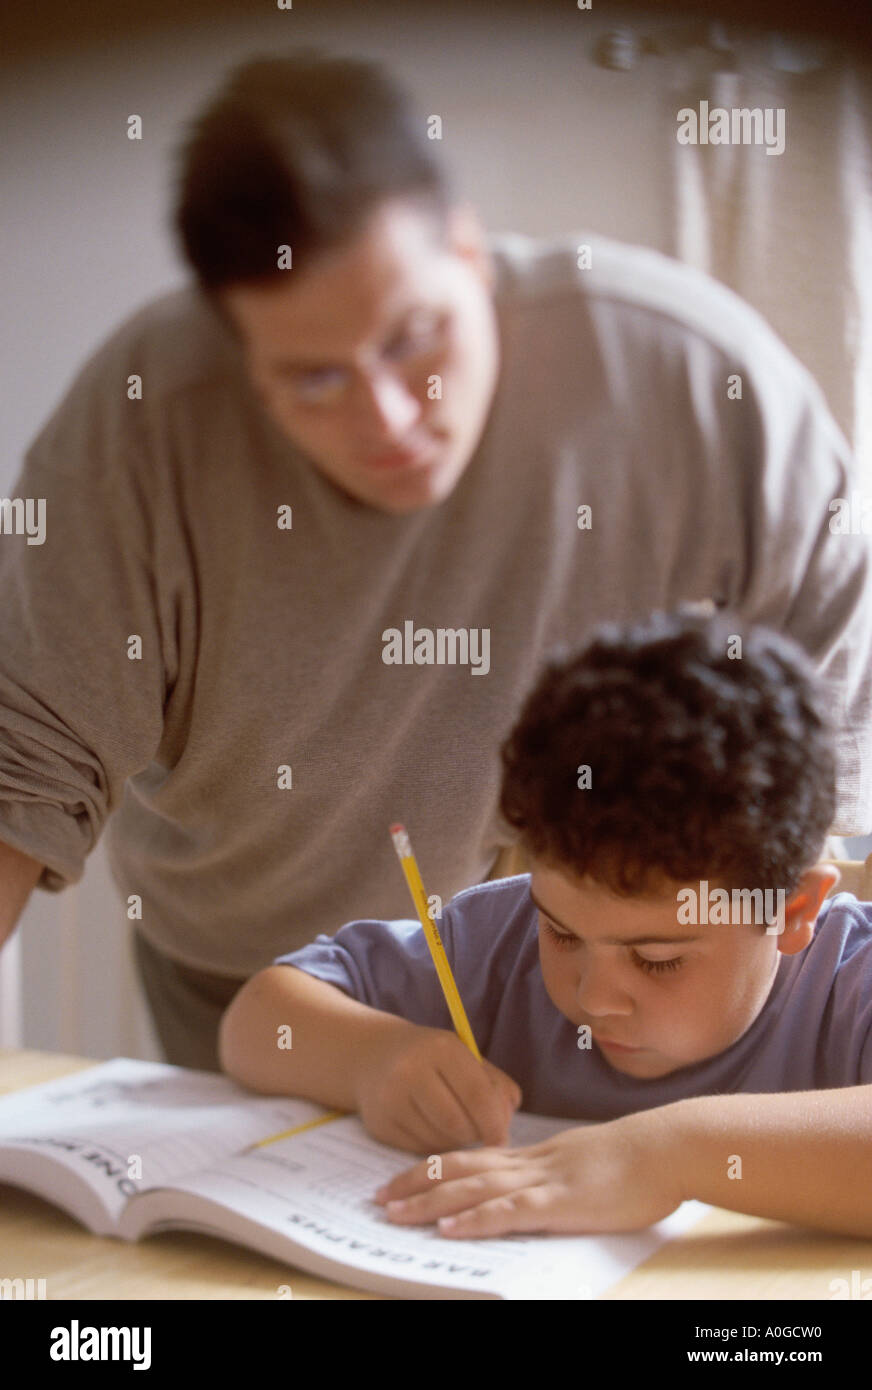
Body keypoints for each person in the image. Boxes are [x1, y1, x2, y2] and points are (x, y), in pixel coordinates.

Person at [1, 50, 871, 1072]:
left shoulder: (698, 382)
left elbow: (821, 752)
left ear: (467, 249)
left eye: (414, 340)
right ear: (233, 346)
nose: (386, 418)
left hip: (602, 974)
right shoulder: (137, 429)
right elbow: (23, 773)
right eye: (313, 378)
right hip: (257, 974)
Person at [220, 609, 872, 1238]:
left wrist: (662, 1155)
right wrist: (370, 1058)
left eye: (656, 958)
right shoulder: (496, 941)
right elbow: (256, 1024)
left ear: (791, 912)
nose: (593, 997)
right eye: (561, 933)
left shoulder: (851, 986)